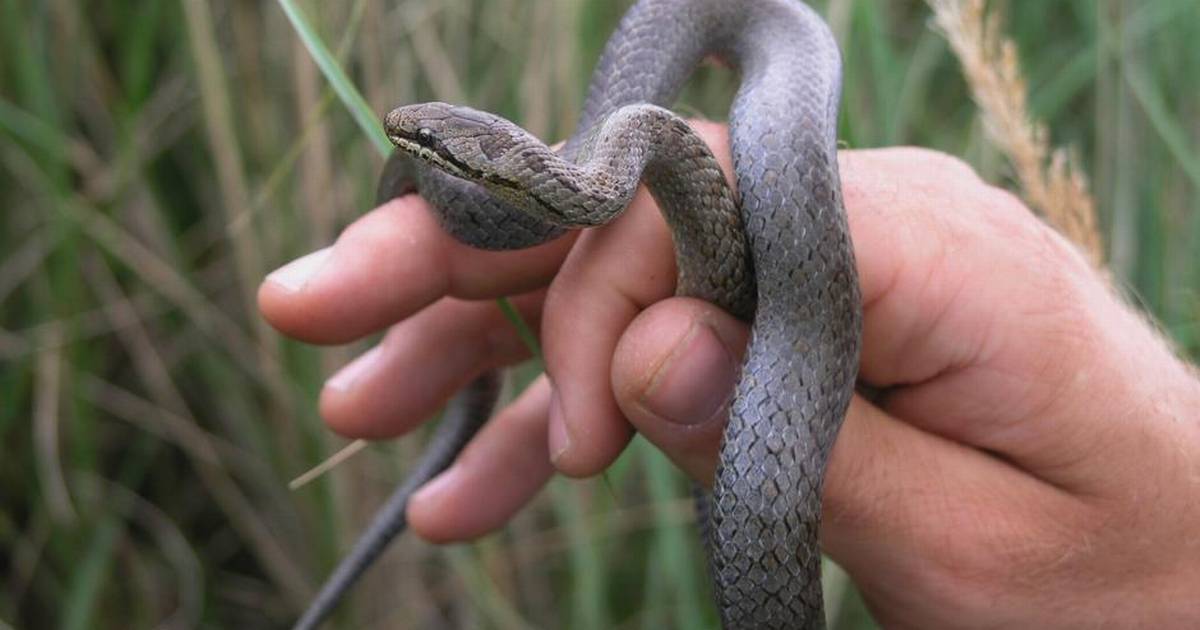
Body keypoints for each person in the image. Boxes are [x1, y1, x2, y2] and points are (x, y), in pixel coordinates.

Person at [258, 121, 1200, 627]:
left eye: (427, 153)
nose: (410, 151)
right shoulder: (612, 158)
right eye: (420, 154)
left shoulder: (608, 166)